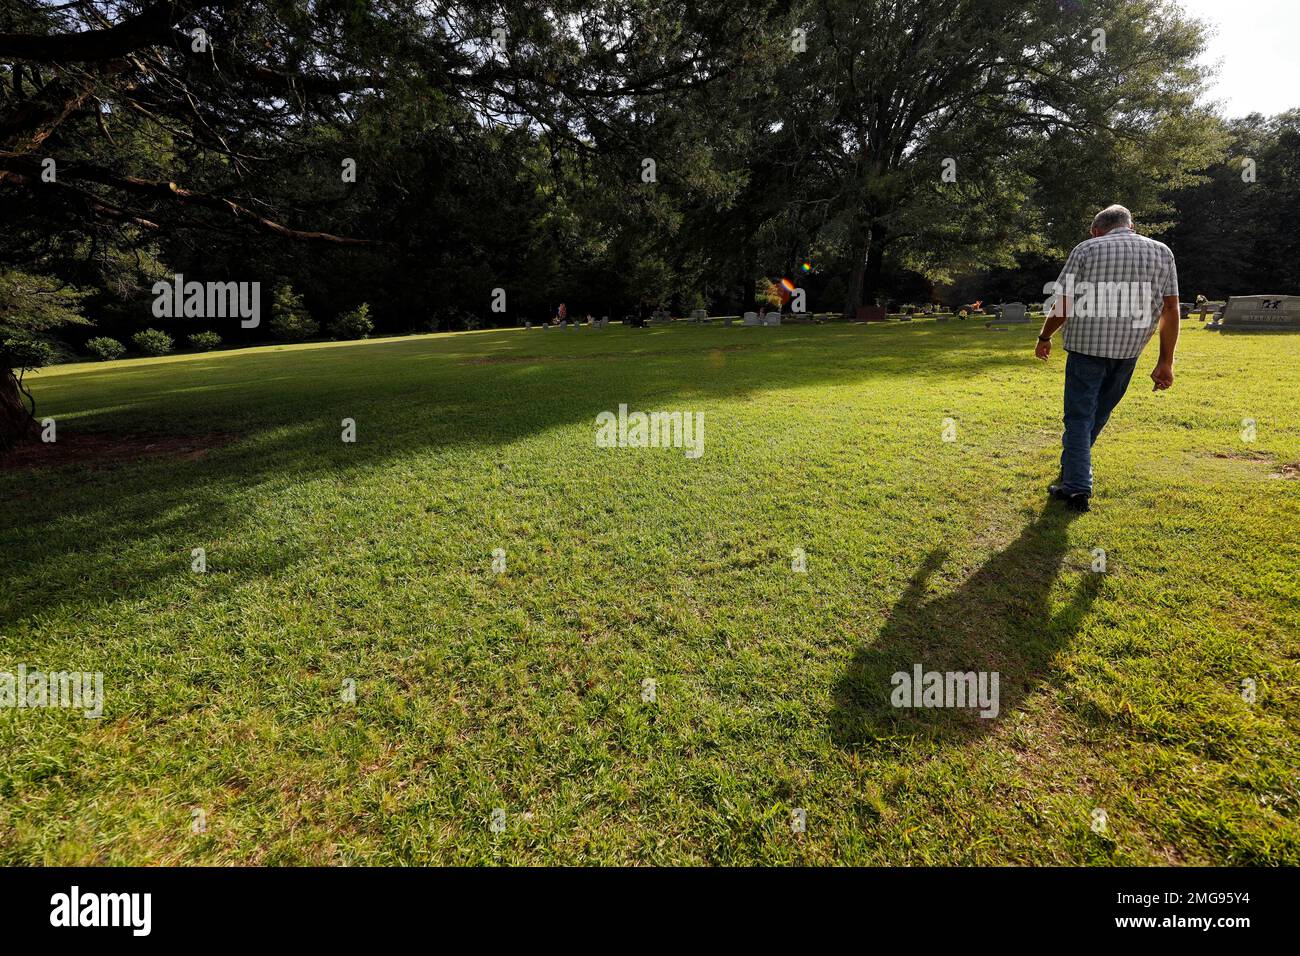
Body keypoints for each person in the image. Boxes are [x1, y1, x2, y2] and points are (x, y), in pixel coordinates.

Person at [1035, 204, 1179, 512]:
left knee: (1078, 416)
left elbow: (1064, 302)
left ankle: (1075, 487)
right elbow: (1170, 309)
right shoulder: (1163, 252)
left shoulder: (1086, 250)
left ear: (1097, 230)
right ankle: (1073, 469)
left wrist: (1045, 336)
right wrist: (1166, 360)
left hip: (1087, 348)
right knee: (1099, 413)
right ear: (1130, 224)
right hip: (1129, 350)